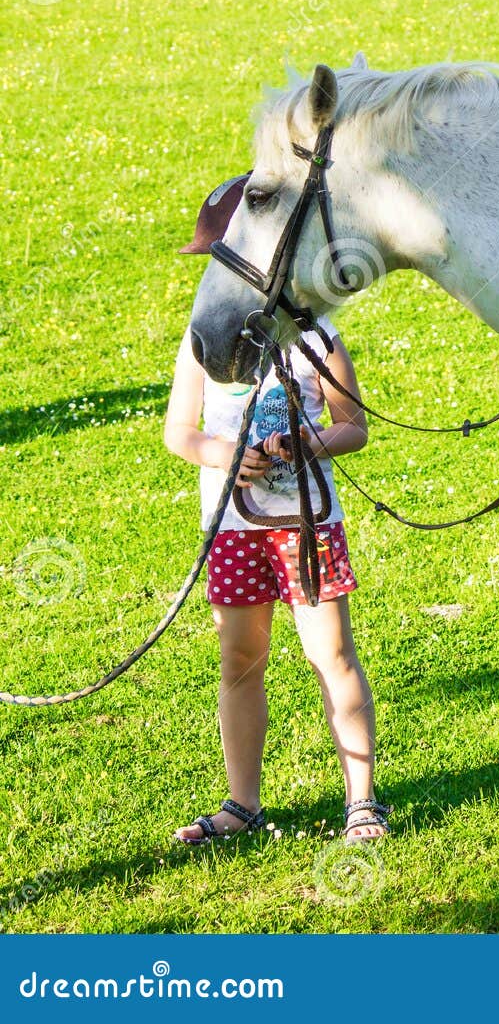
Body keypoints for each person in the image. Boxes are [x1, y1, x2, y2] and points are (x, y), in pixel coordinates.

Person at [163, 174, 389, 846]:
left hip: (306, 527)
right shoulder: (202, 345)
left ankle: (362, 803)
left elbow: (354, 424)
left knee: (332, 654)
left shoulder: (316, 338)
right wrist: (230, 451)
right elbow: (181, 435)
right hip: (234, 531)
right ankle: (242, 802)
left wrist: (303, 440)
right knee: (240, 660)